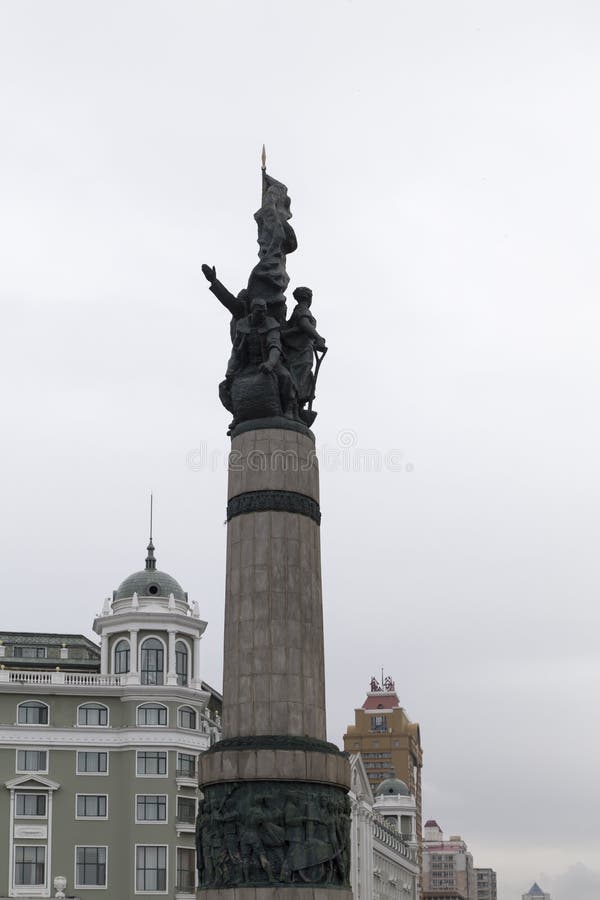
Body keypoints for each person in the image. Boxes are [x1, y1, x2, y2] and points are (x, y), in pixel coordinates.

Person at [282, 287, 327, 407]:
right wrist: (317, 338)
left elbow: (299, 328)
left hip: (301, 349)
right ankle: (292, 405)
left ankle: (296, 407)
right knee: (299, 377)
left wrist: (317, 338)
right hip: (301, 351)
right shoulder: (302, 309)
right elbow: (304, 324)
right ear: (309, 298)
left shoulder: (298, 310)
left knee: (302, 377)